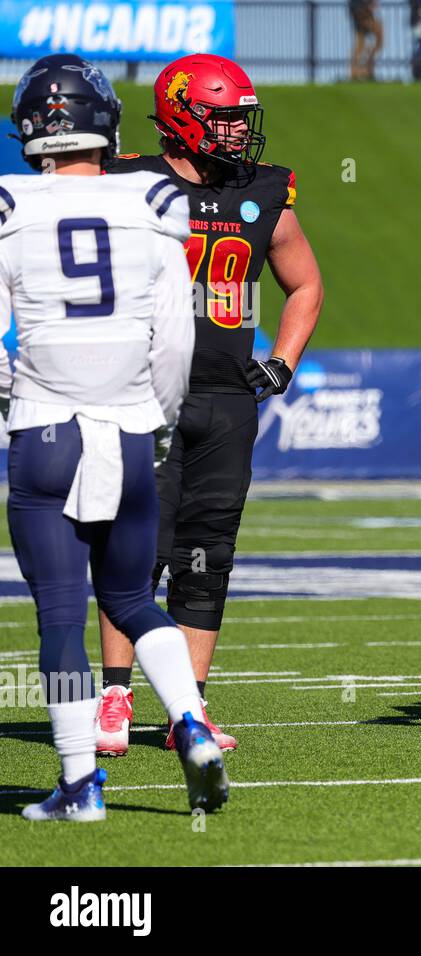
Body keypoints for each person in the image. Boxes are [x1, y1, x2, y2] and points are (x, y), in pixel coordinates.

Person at [2, 54, 228, 819]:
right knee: (133, 594)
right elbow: (175, 339)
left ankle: (78, 787)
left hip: (45, 432)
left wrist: (17, 397)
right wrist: (154, 416)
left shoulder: (9, 204)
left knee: (63, 612)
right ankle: (191, 722)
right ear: (106, 126)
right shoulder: (156, 200)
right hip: (131, 430)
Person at [92, 54, 324, 757]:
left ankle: (186, 711)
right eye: (222, 116)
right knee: (136, 548)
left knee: (206, 554)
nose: (234, 132)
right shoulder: (127, 182)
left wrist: (282, 361)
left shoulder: (263, 191)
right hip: (143, 393)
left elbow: (306, 285)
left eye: (237, 118)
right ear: (183, 115)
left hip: (226, 397)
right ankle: (114, 696)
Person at [349, 0, 384, 81]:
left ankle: (359, 71)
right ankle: (357, 72)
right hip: (361, 14)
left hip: (362, 14)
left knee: (361, 45)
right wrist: (369, 4)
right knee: (361, 45)